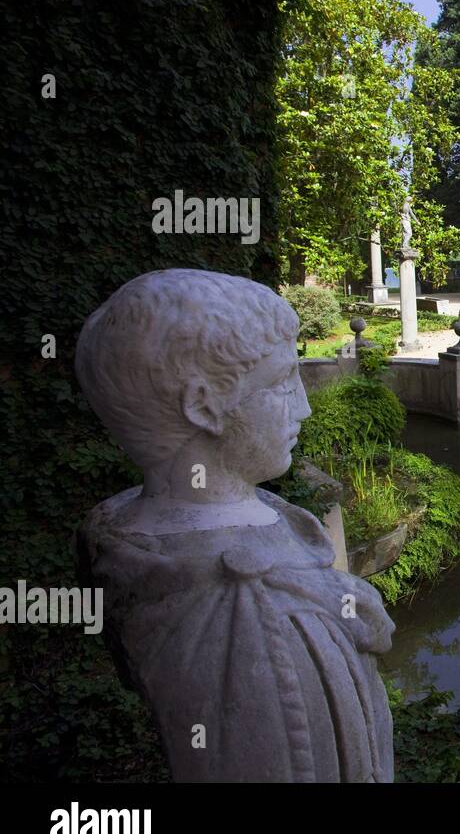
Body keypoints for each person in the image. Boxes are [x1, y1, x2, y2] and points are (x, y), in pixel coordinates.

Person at [75, 269, 394, 782]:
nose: (305, 406)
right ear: (203, 406)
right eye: (282, 384)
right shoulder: (253, 615)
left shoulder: (128, 523)